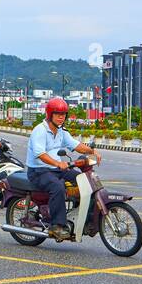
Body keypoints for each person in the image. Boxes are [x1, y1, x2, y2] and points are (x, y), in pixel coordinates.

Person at [26, 96, 99, 240]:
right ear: (50, 114)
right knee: (58, 187)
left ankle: (80, 217)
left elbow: (75, 145)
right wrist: (58, 163)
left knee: (83, 180)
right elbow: (40, 154)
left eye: (63, 115)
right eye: (58, 114)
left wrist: (92, 151)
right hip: (38, 171)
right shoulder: (39, 130)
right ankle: (57, 226)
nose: (61, 118)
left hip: (56, 169)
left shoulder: (61, 131)